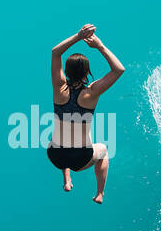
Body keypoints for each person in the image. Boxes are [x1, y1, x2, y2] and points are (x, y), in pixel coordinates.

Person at [48, 24, 123, 203]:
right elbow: (119, 69)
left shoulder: (59, 87)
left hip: (55, 155)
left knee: (65, 136)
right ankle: (99, 194)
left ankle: (67, 180)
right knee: (103, 150)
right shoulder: (91, 92)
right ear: (87, 72)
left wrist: (78, 36)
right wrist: (100, 46)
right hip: (80, 159)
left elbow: (55, 52)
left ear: (65, 71)